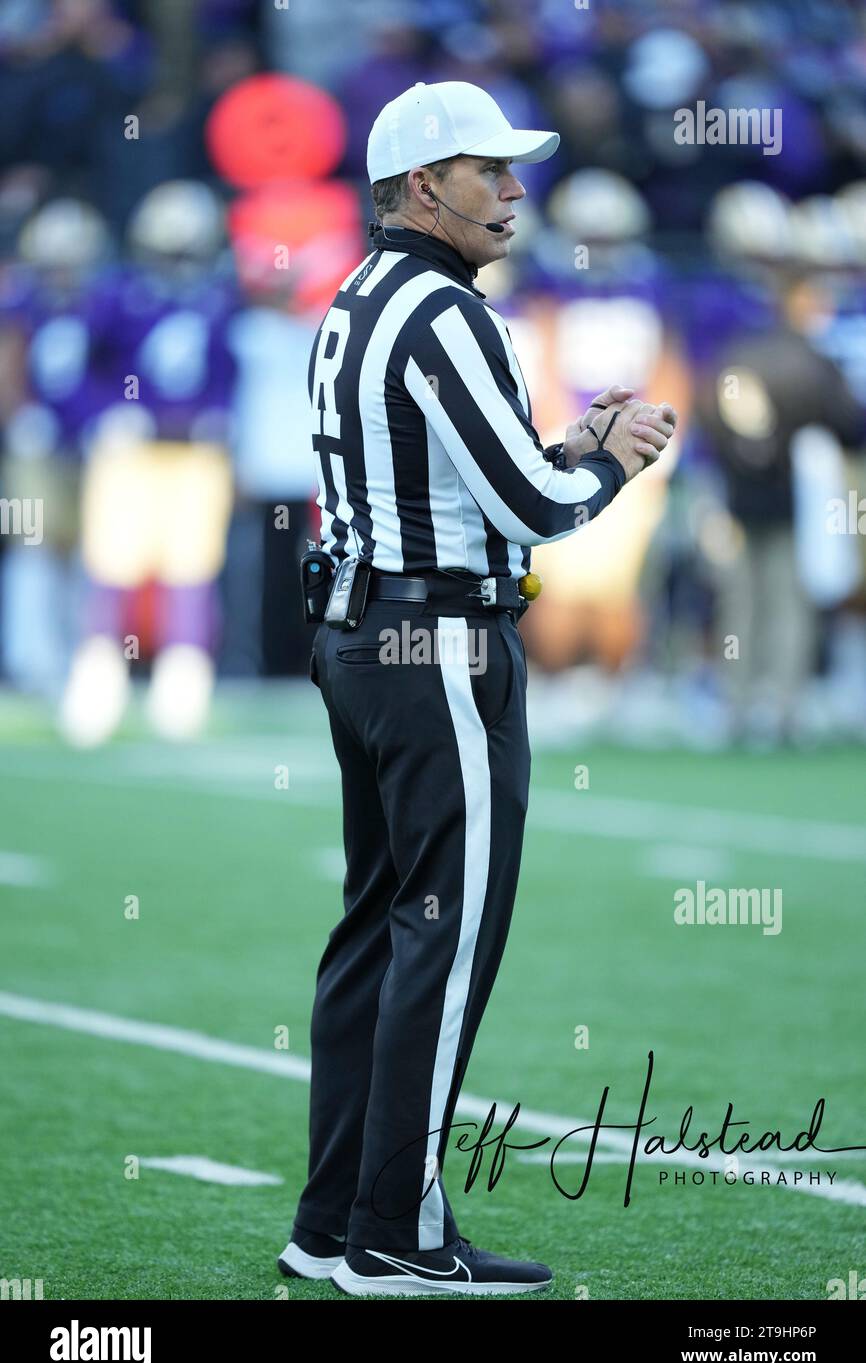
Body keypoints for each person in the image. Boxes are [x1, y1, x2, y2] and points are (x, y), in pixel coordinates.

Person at [277, 81, 677, 1297]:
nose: (510, 191)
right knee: (444, 938)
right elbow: (532, 508)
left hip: (362, 637)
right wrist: (608, 463)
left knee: (374, 932)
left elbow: (456, 480)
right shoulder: (449, 312)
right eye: (486, 170)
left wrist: (564, 446)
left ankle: (333, 1219)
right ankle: (393, 1233)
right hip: (436, 645)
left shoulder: (360, 295)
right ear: (419, 185)